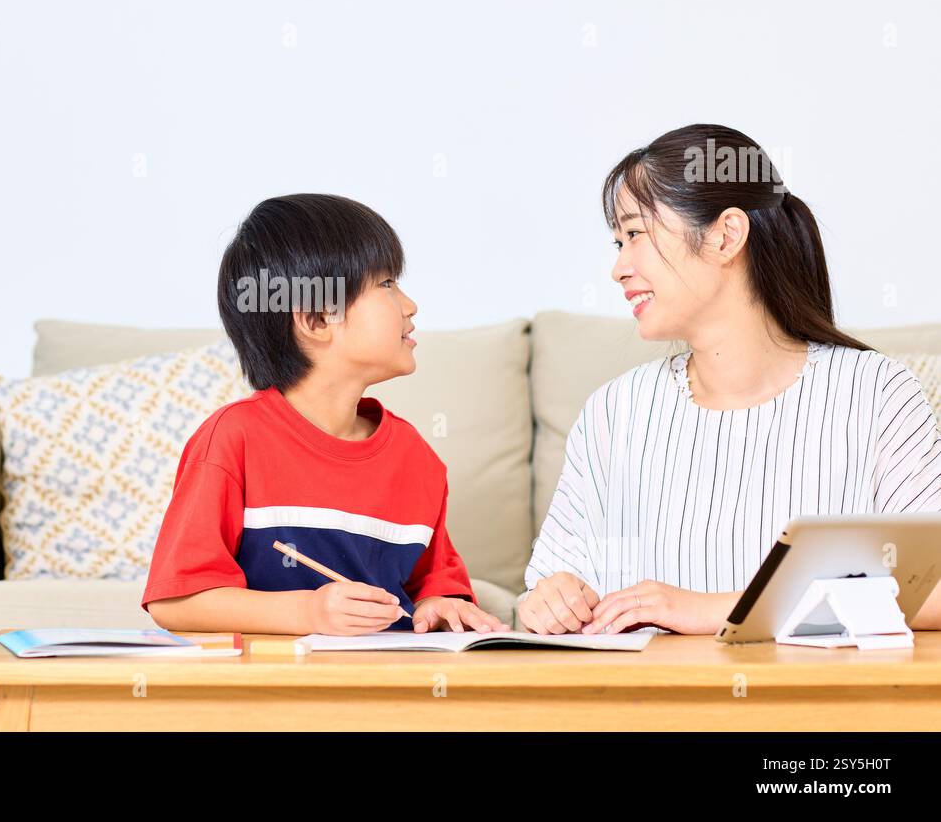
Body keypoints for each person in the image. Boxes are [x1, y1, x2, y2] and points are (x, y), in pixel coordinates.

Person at [518, 124, 941, 636]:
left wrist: (709, 609)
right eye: (617, 241)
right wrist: (549, 600)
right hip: (647, 705)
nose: (619, 268)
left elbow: (932, 589)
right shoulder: (616, 409)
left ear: (726, 235)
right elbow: (549, 586)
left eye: (634, 234)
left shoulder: (874, 393)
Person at [142, 193, 509, 636]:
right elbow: (177, 601)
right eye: (388, 284)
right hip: (269, 695)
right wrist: (308, 613)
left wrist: (438, 604)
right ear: (316, 319)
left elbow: (435, 585)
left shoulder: (415, 457)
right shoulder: (233, 439)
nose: (410, 305)